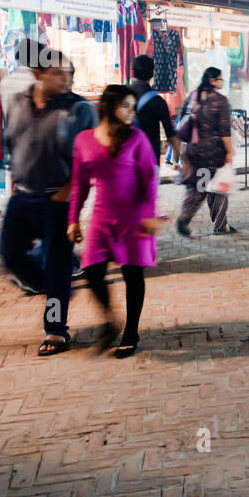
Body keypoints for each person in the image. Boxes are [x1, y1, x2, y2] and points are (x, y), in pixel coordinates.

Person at [0, 47, 97, 356]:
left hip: (59, 198)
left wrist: (69, 190)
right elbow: (13, 144)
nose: (65, 79)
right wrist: (15, 181)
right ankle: (53, 285)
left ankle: (56, 330)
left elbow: (89, 156)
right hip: (23, 196)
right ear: (38, 74)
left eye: (69, 74)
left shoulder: (80, 109)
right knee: (9, 254)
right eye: (58, 73)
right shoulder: (18, 103)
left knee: (56, 264)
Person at [69, 85, 166, 359]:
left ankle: (131, 332)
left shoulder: (137, 139)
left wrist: (149, 214)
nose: (130, 112)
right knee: (92, 273)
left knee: (132, 275)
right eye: (125, 106)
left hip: (134, 217)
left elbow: (149, 178)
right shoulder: (84, 140)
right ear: (109, 107)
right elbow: (79, 185)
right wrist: (73, 220)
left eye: (132, 107)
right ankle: (111, 322)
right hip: (101, 217)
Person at [177, 67, 235, 235]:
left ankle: (185, 216)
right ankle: (220, 225)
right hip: (214, 154)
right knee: (218, 189)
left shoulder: (193, 96)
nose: (222, 81)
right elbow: (224, 131)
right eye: (220, 79)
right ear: (212, 81)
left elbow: (181, 121)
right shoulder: (220, 100)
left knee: (197, 188)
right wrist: (230, 152)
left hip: (193, 152)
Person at [128, 55, 185, 171]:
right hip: (150, 162)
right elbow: (171, 135)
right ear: (153, 73)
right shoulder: (157, 101)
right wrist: (184, 161)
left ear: (133, 72)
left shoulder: (121, 96)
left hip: (126, 161)